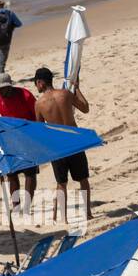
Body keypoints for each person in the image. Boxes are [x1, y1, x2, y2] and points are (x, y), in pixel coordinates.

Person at [33, 67, 92, 223]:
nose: (36, 87)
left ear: (40, 82)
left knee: (61, 183)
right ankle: (88, 213)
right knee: (83, 179)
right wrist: (77, 89)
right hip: (74, 141)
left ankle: (64, 218)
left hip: (57, 146)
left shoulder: (39, 104)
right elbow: (85, 108)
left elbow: (40, 130)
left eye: (36, 83)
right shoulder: (65, 94)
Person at [0, 73, 38, 216]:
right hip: (8, 139)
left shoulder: (26, 95)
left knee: (30, 173)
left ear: (10, 86)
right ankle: (16, 206)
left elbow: (37, 117)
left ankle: (27, 206)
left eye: (2, 89)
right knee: (11, 174)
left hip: (27, 138)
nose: (0, 92)